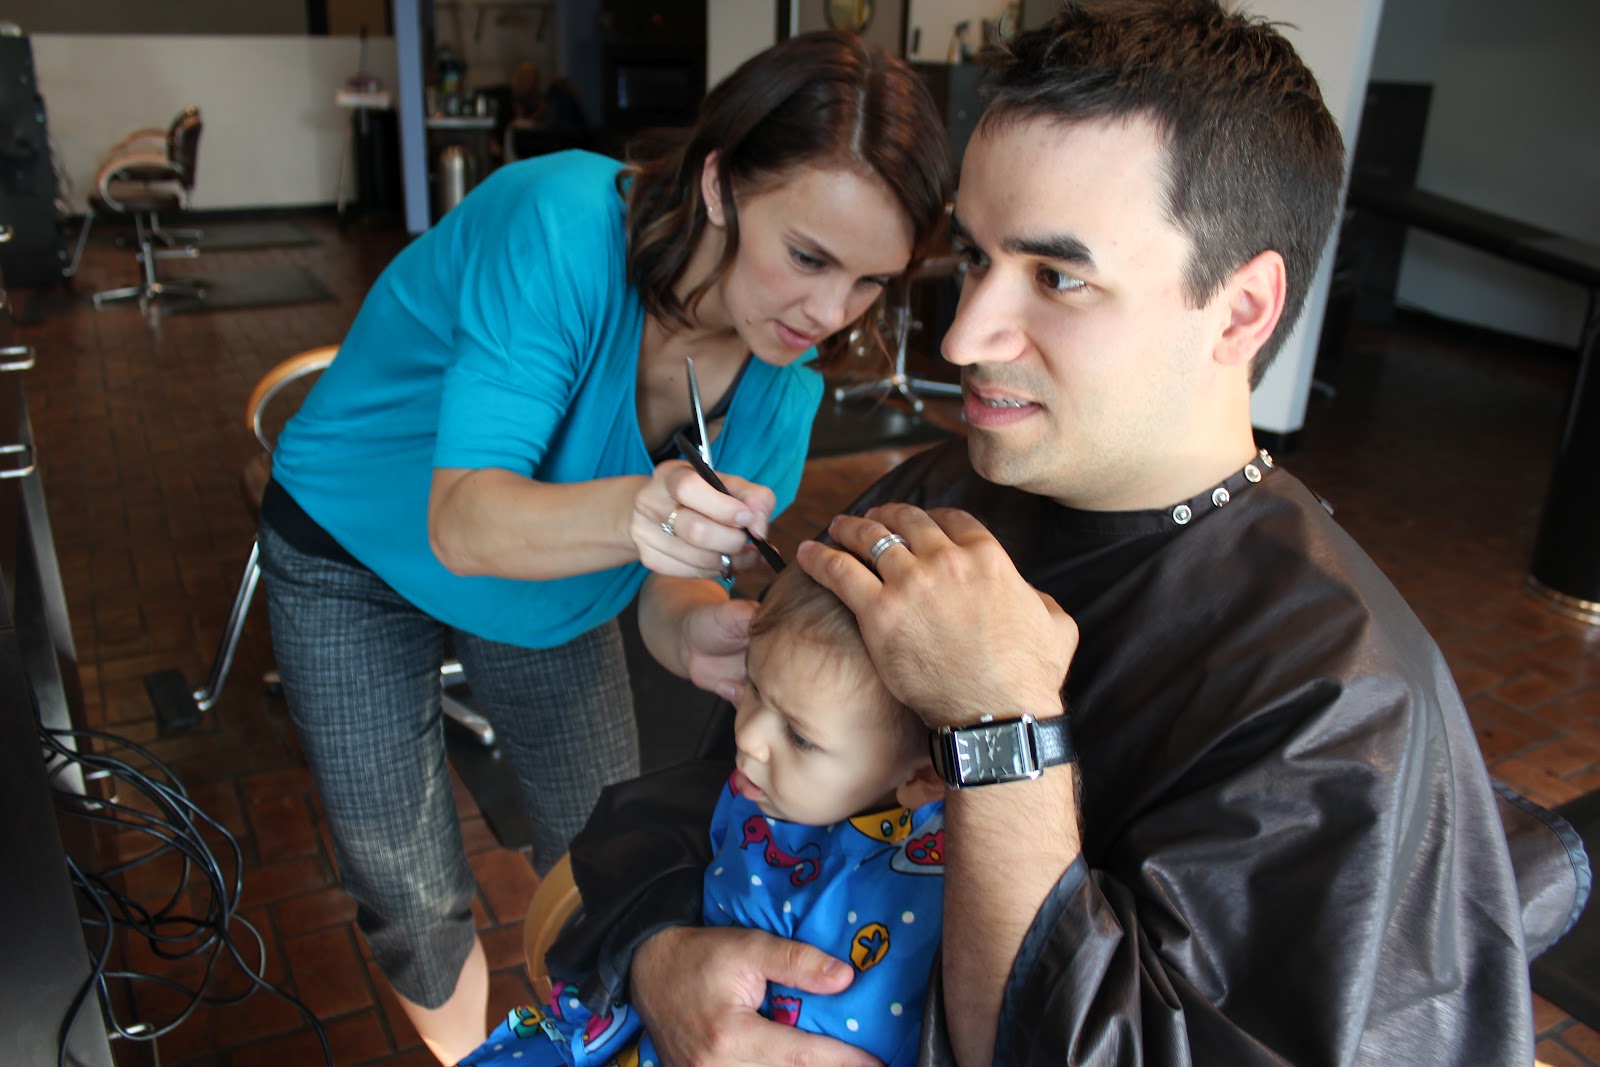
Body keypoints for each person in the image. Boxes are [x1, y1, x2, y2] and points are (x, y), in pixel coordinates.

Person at [542, 3, 1545, 1065]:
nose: (966, 333)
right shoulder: (936, 495)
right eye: (974, 259)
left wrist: (1000, 725)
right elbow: (720, 789)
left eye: (1058, 278)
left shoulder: (1339, 702)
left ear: (1241, 310)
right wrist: (659, 956)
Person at [257, 30, 951, 1064]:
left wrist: (697, 628)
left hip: (550, 581)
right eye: (807, 256)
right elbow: (465, 518)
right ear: (719, 185)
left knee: (600, 846)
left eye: (867, 283)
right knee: (406, 885)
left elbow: (668, 584)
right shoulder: (560, 227)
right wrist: (642, 508)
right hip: (356, 539)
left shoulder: (781, 386)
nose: (828, 314)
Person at [460, 565, 946, 1067]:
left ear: (921, 778)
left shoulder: (931, 895)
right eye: (753, 687)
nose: (748, 737)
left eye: (799, 737)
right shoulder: (774, 788)